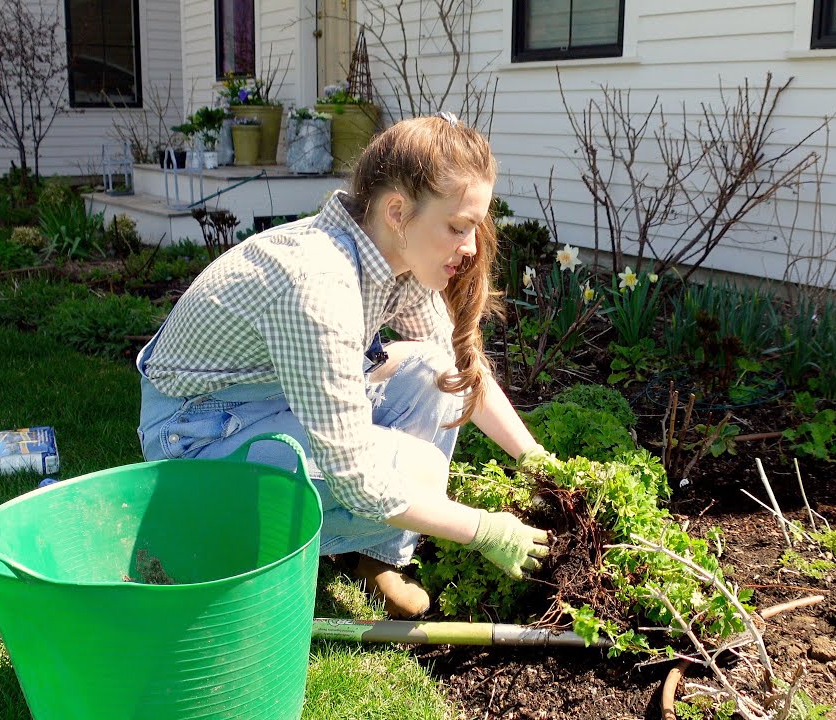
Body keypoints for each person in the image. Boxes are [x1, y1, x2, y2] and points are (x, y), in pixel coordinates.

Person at [135, 113, 553, 618]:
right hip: (195, 440)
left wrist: (534, 458)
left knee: (433, 372)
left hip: (268, 401)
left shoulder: (395, 255)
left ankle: (376, 556)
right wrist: (483, 530)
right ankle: (237, 544)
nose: (470, 248)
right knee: (418, 472)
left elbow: (459, 371)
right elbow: (355, 472)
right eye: (457, 227)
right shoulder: (317, 284)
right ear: (397, 211)